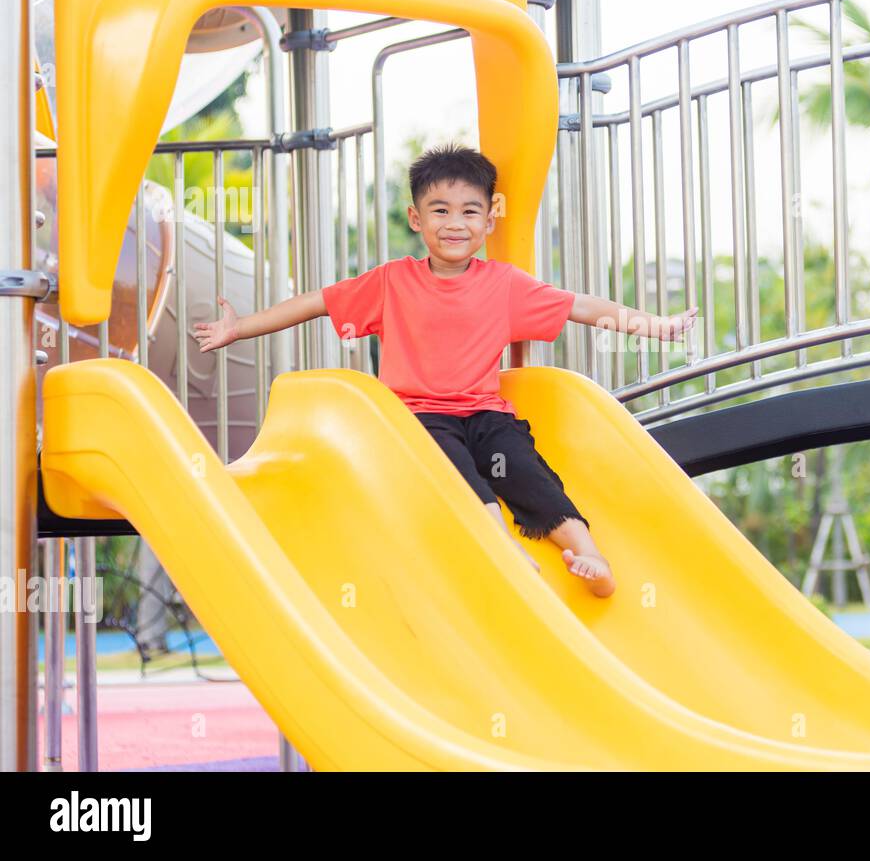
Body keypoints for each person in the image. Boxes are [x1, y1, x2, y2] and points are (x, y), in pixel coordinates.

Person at [192, 142, 697, 598]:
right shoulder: (391, 282)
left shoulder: (505, 285)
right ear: (416, 218)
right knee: (456, 470)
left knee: (525, 472)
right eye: (440, 210)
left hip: (487, 415)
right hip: (419, 418)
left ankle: (590, 554)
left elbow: (580, 306)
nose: (455, 223)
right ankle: (500, 546)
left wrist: (655, 326)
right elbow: (317, 302)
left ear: (489, 221)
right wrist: (241, 328)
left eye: (470, 211)